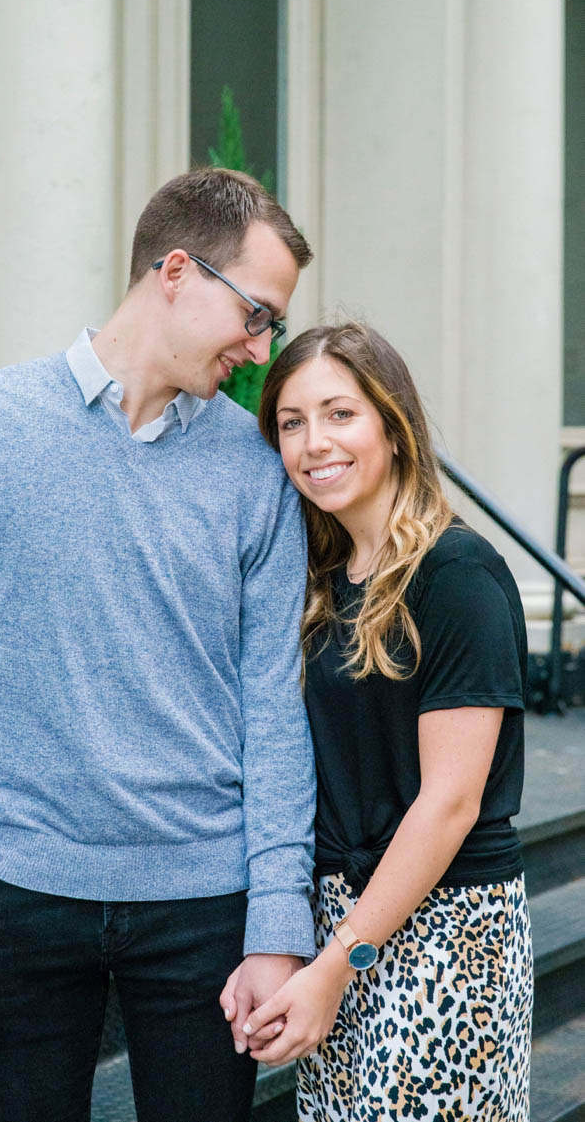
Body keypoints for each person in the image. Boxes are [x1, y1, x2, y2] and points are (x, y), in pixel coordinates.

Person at [0, 166, 318, 1121]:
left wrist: (276, 917)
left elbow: (274, 704)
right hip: (15, 892)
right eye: (256, 313)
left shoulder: (256, 470)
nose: (261, 345)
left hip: (206, 905)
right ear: (178, 271)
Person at [242, 322, 532, 1117]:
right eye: (291, 422)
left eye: (340, 414)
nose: (313, 443)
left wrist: (336, 965)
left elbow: (449, 803)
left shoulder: (456, 572)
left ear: (393, 427)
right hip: (344, 924)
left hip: (449, 932)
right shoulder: (321, 578)